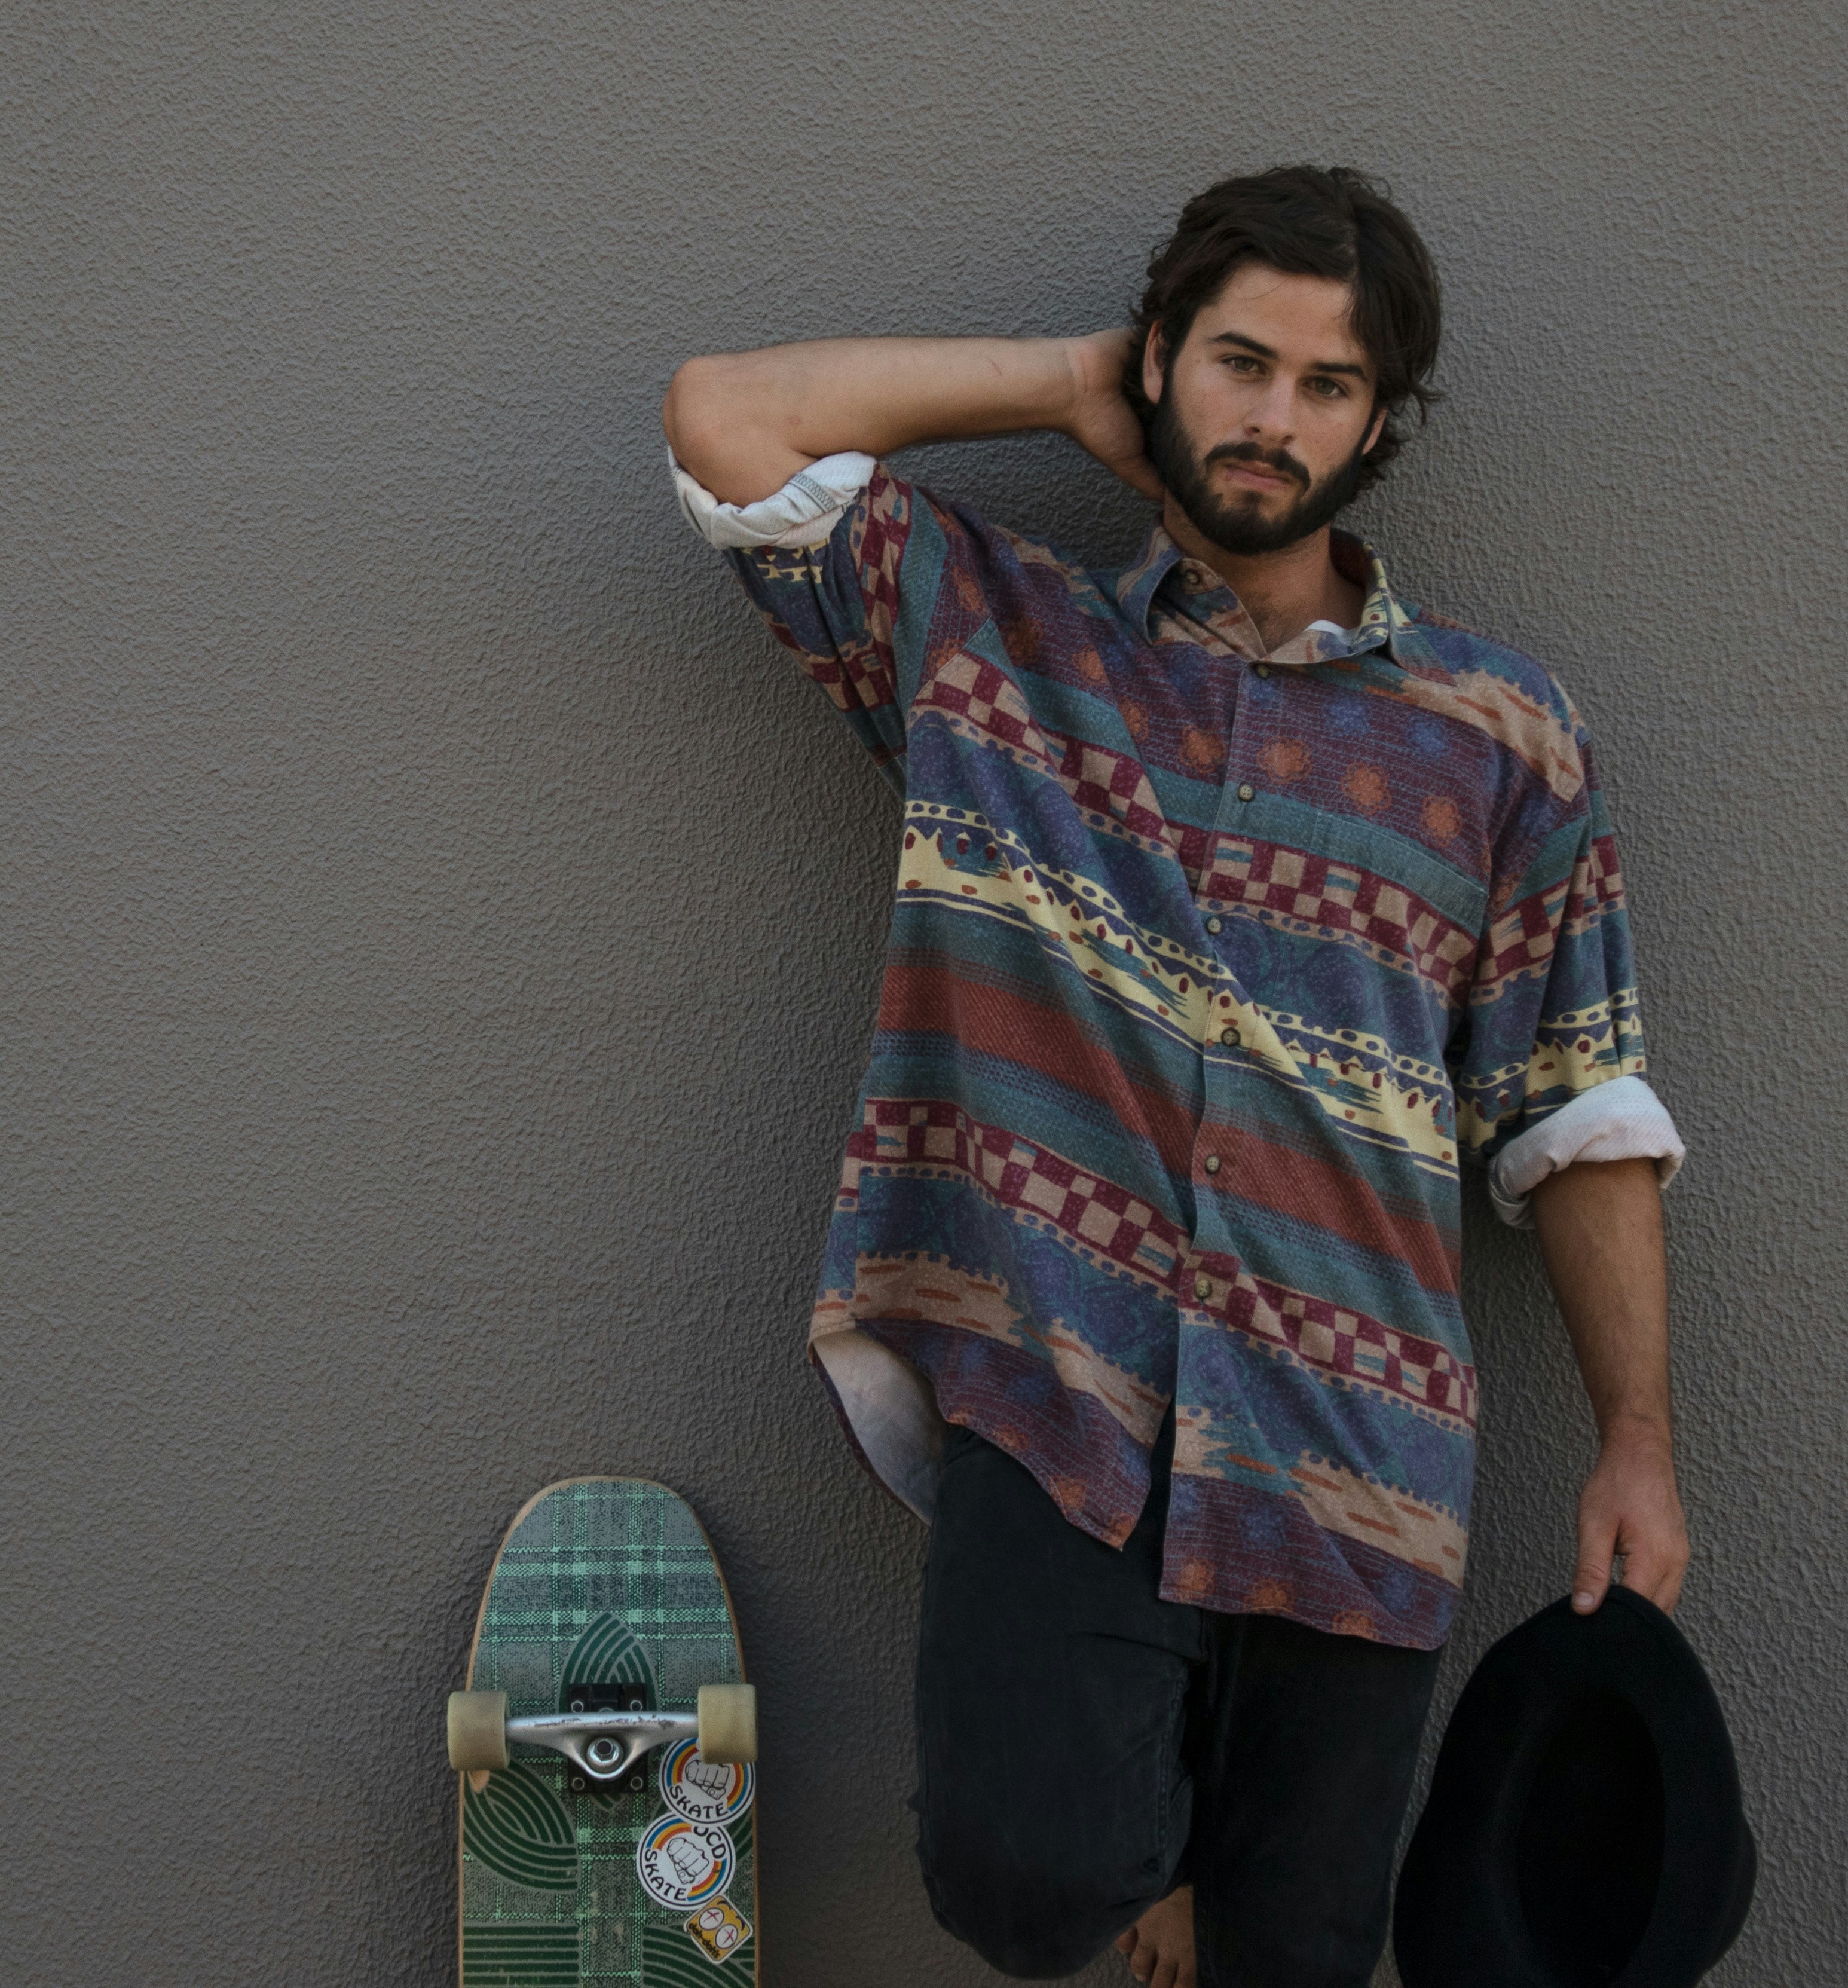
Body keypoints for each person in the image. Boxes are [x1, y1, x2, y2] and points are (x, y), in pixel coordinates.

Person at [661, 166, 1691, 1987]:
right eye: (1238, 362)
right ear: (1166, 360)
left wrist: (1635, 1438)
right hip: (1062, 1393)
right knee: (1028, 1873)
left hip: (1356, 1454)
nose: (1274, 419)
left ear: (1380, 423)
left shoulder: (1501, 740)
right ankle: (1142, 1842)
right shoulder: (999, 646)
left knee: (1288, 1966)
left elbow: (1577, 1112)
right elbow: (729, 422)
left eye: (1327, 386)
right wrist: (1065, 380)